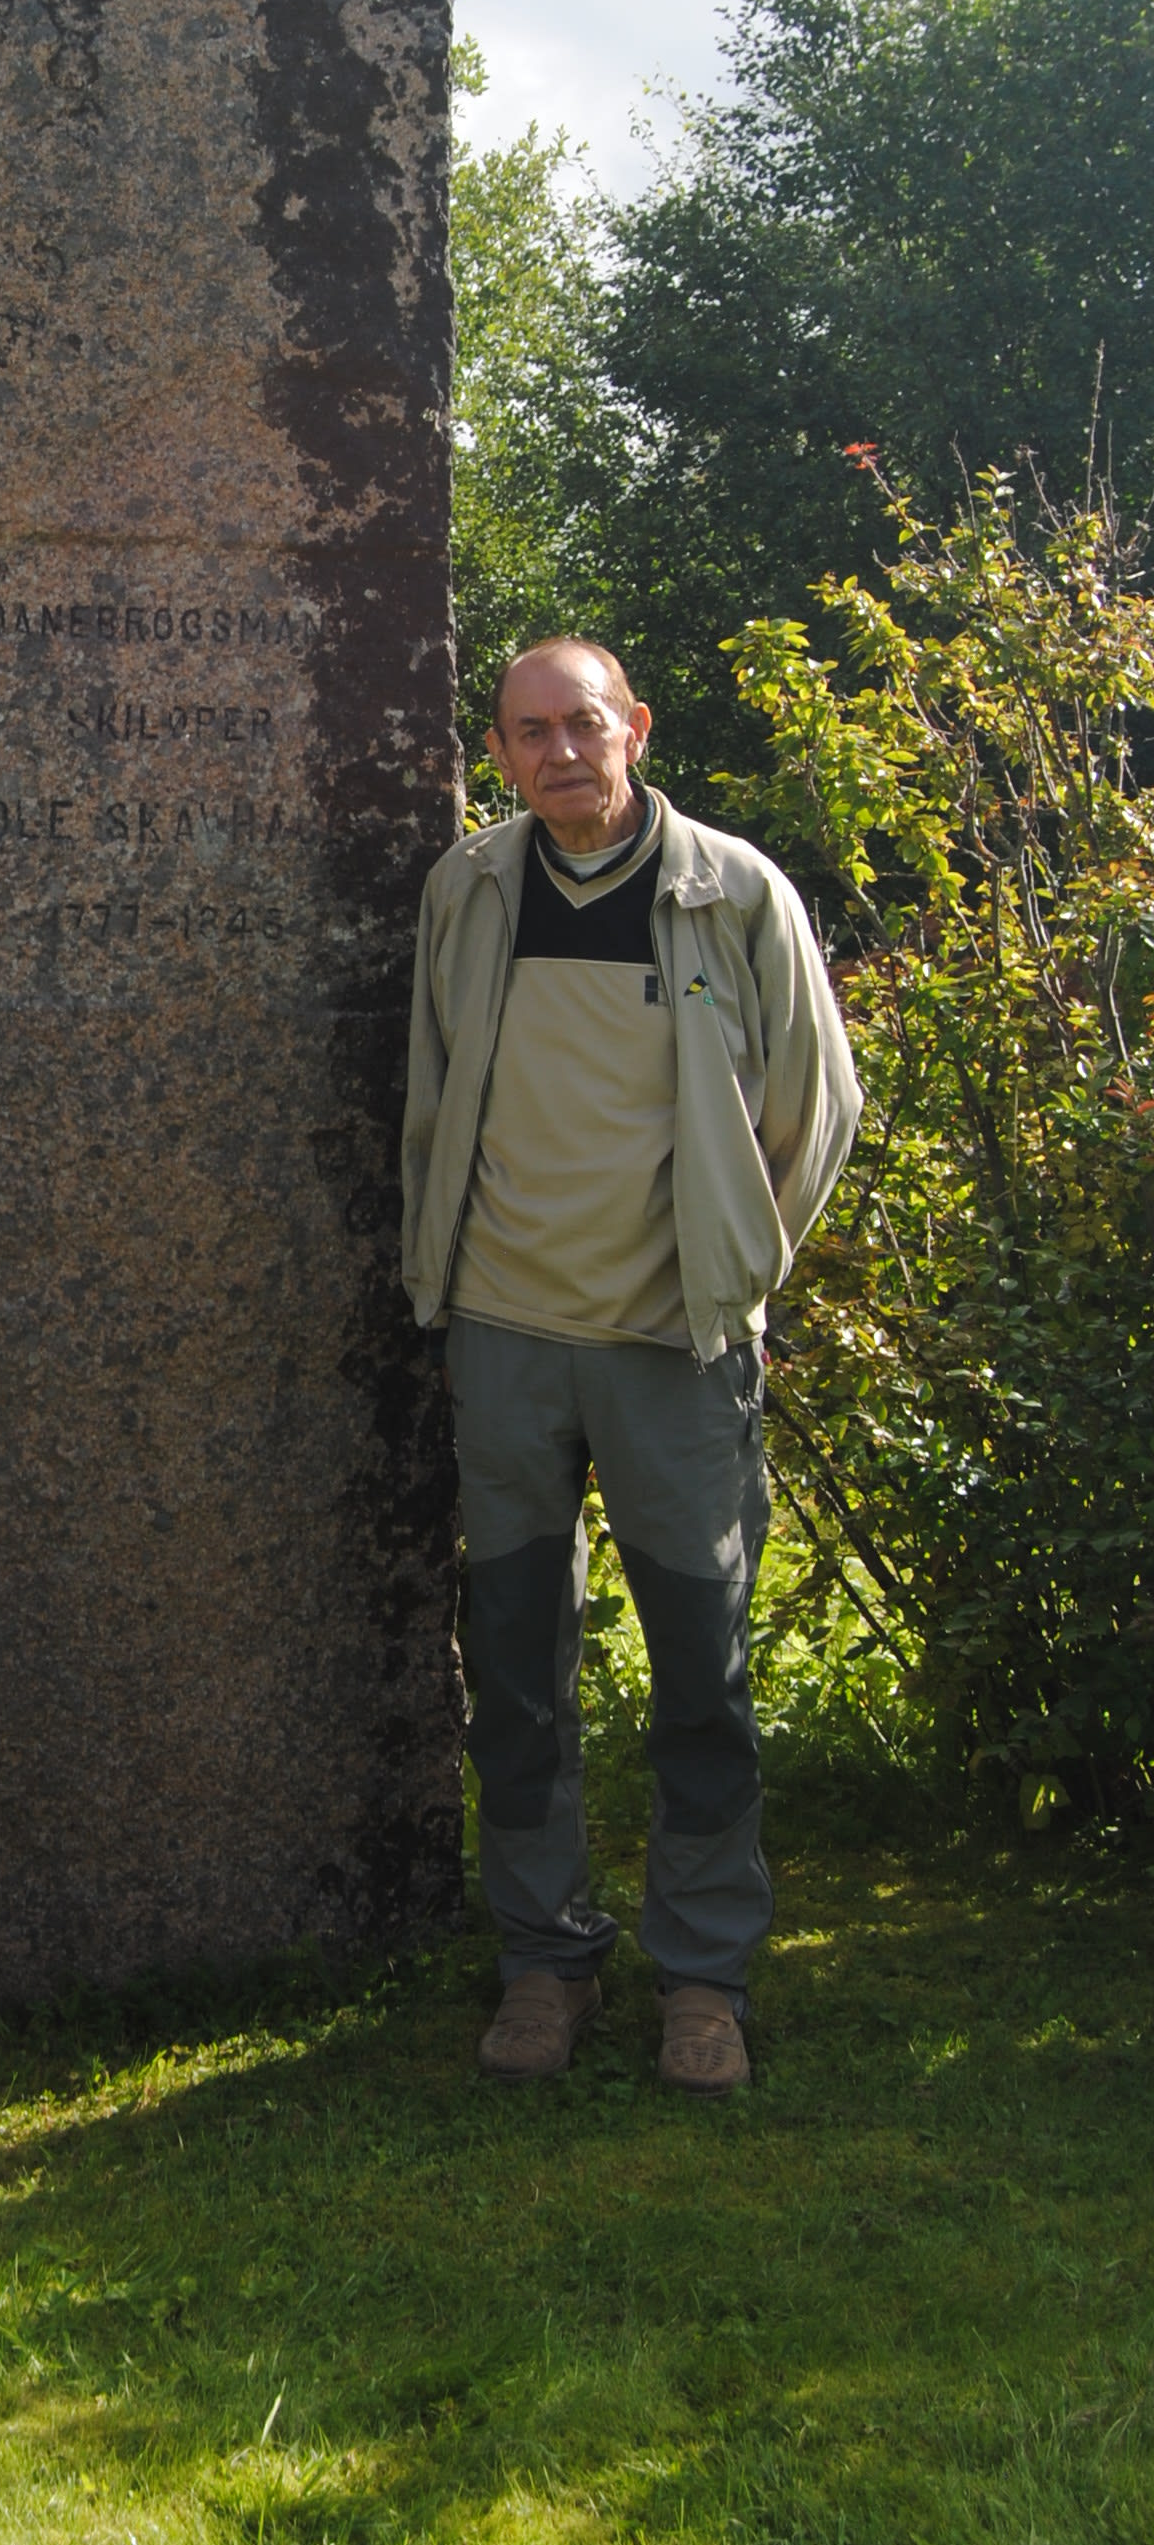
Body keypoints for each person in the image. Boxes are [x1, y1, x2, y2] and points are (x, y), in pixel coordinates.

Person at [401, 636, 860, 2094]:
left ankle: (702, 1977)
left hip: (675, 1351)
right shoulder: (469, 891)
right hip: (509, 1342)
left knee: (699, 1676)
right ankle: (544, 1960)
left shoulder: (734, 894)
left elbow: (815, 1108)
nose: (559, 752)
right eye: (529, 731)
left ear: (635, 729)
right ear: (503, 751)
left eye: (582, 723)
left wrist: (729, 1265)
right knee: (519, 1673)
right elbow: (429, 1097)